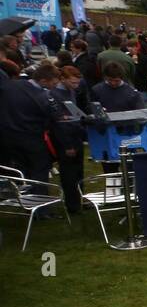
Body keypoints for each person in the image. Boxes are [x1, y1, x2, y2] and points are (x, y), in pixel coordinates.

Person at [0, 62, 58, 182]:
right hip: (33, 139)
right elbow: (52, 117)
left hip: (9, 137)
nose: (55, 86)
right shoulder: (43, 97)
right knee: (39, 172)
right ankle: (38, 198)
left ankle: (21, 196)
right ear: (43, 81)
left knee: (20, 171)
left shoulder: (10, 86)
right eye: (53, 83)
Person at [49, 65, 87, 211]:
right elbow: (58, 123)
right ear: (62, 79)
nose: (76, 86)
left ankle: (80, 199)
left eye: (77, 83)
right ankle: (72, 204)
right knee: (69, 173)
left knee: (79, 171)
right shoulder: (54, 95)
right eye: (73, 83)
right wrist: (67, 145)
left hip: (76, 135)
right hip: (65, 139)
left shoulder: (70, 92)